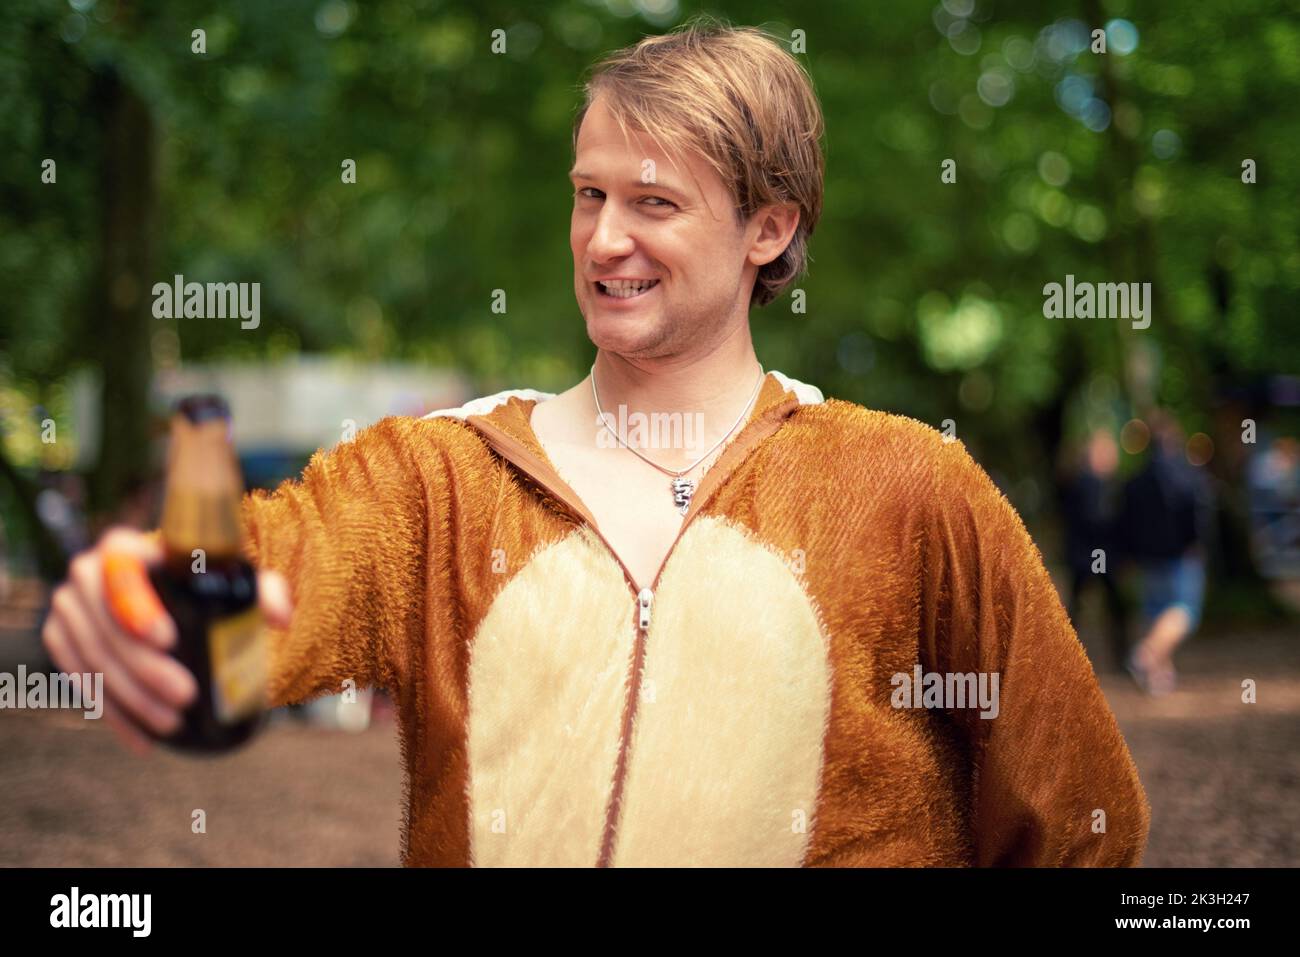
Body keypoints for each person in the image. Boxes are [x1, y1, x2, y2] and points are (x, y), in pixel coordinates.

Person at [41, 18, 1149, 867]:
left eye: (653, 203)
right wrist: (154, 600)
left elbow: (1081, 817)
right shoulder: (435, 479)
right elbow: (252, 593)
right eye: (587, 194)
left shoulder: (906, 486)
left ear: (770, 226)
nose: (603, 237)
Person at [1119, 411, 1214, 696]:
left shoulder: (1135, 482)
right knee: (1184, 611)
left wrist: (1128, 554)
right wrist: (1197, 542)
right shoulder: (1189, 477)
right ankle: (1145, 656)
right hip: (1179, 557)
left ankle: (1160, 677)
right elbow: (1198, 514)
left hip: (1148, 559)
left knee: (1155, 612)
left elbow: (1124, 522)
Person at [1059, 429, 1130, 670]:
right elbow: (1097, 521)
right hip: (1096, 555)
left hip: (1086, 555)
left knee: (1083, 608)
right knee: (1110, 608)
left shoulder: (1080, 483)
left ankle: (1069, 658)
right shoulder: (1094, 485)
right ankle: (1117, 658)